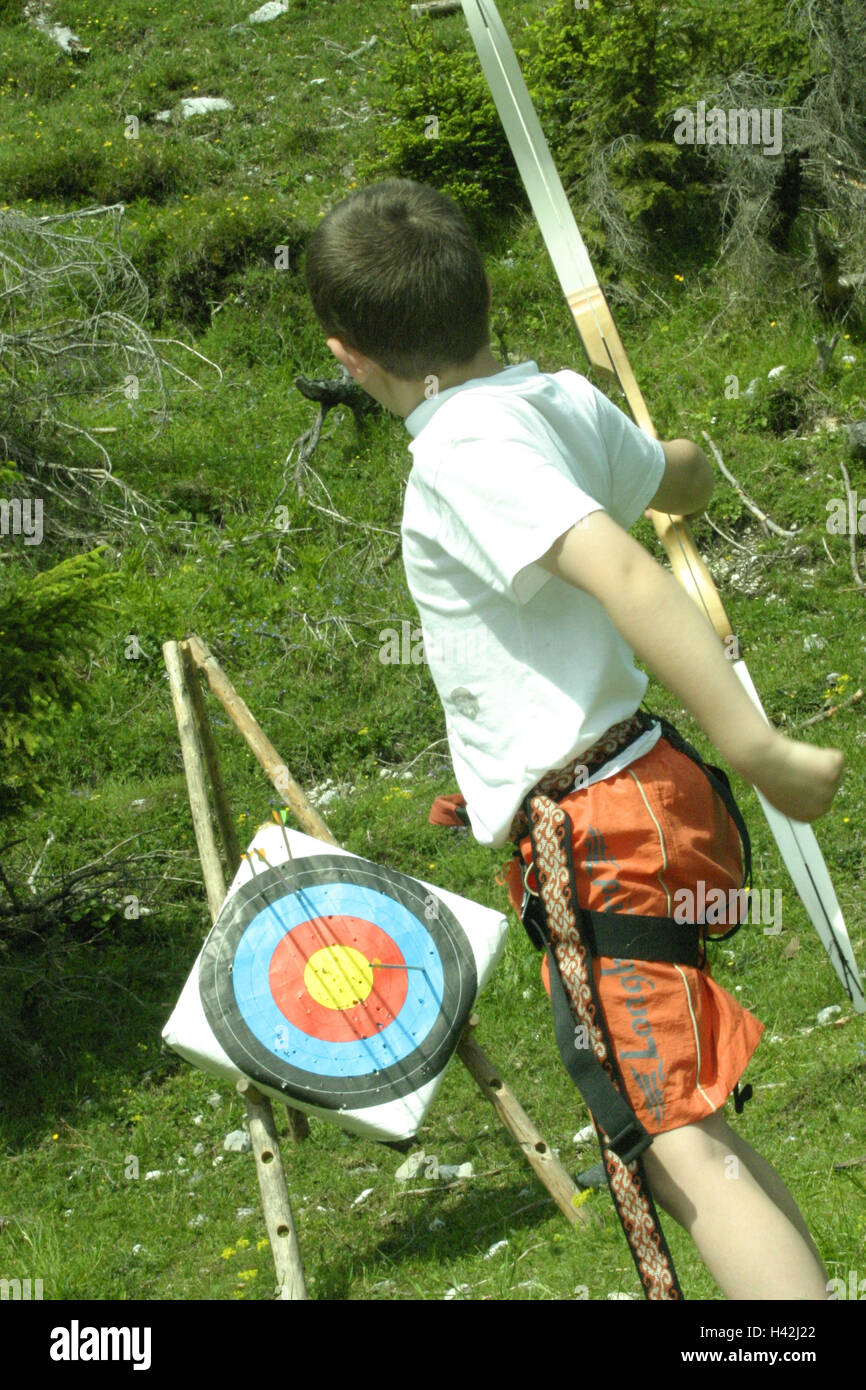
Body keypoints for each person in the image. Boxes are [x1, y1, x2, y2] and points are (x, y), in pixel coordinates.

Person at [304, 177, 843, 1299]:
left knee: (678, 1139)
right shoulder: (547, 400)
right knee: (682, 1118)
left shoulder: (463, 450)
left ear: (346, 353)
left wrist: (759, 746)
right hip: (637, 797)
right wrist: (676, 458)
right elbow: (671, 478)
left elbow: (623, 568)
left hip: (605, 822)